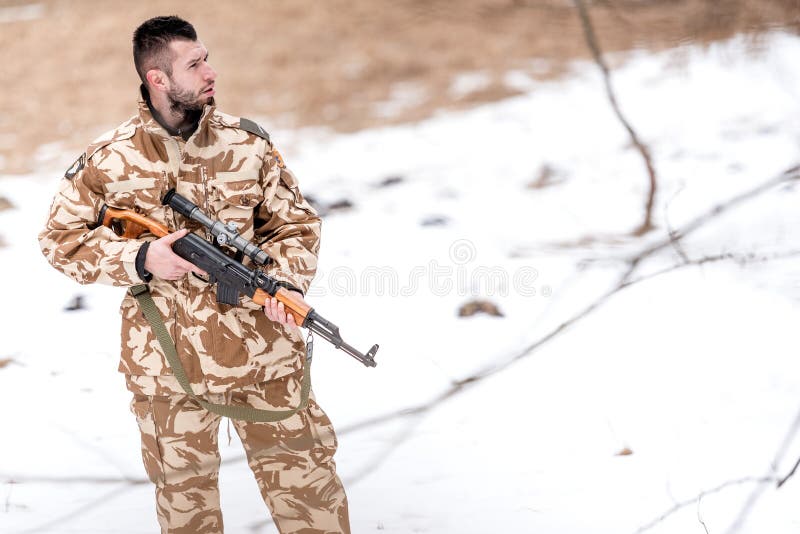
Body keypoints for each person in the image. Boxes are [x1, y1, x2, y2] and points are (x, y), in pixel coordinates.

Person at [38, 15, 350, 534]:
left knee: (312, 504)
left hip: (266, 356)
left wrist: (288, 281)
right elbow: (60, 241)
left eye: (207, 59)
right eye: (196, 63)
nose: (212, 72)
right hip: (167, 368)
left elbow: (295, 225)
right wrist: (139, 260)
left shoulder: (247, 145)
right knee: (188, 519)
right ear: (158, 78)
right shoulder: (108, 160)